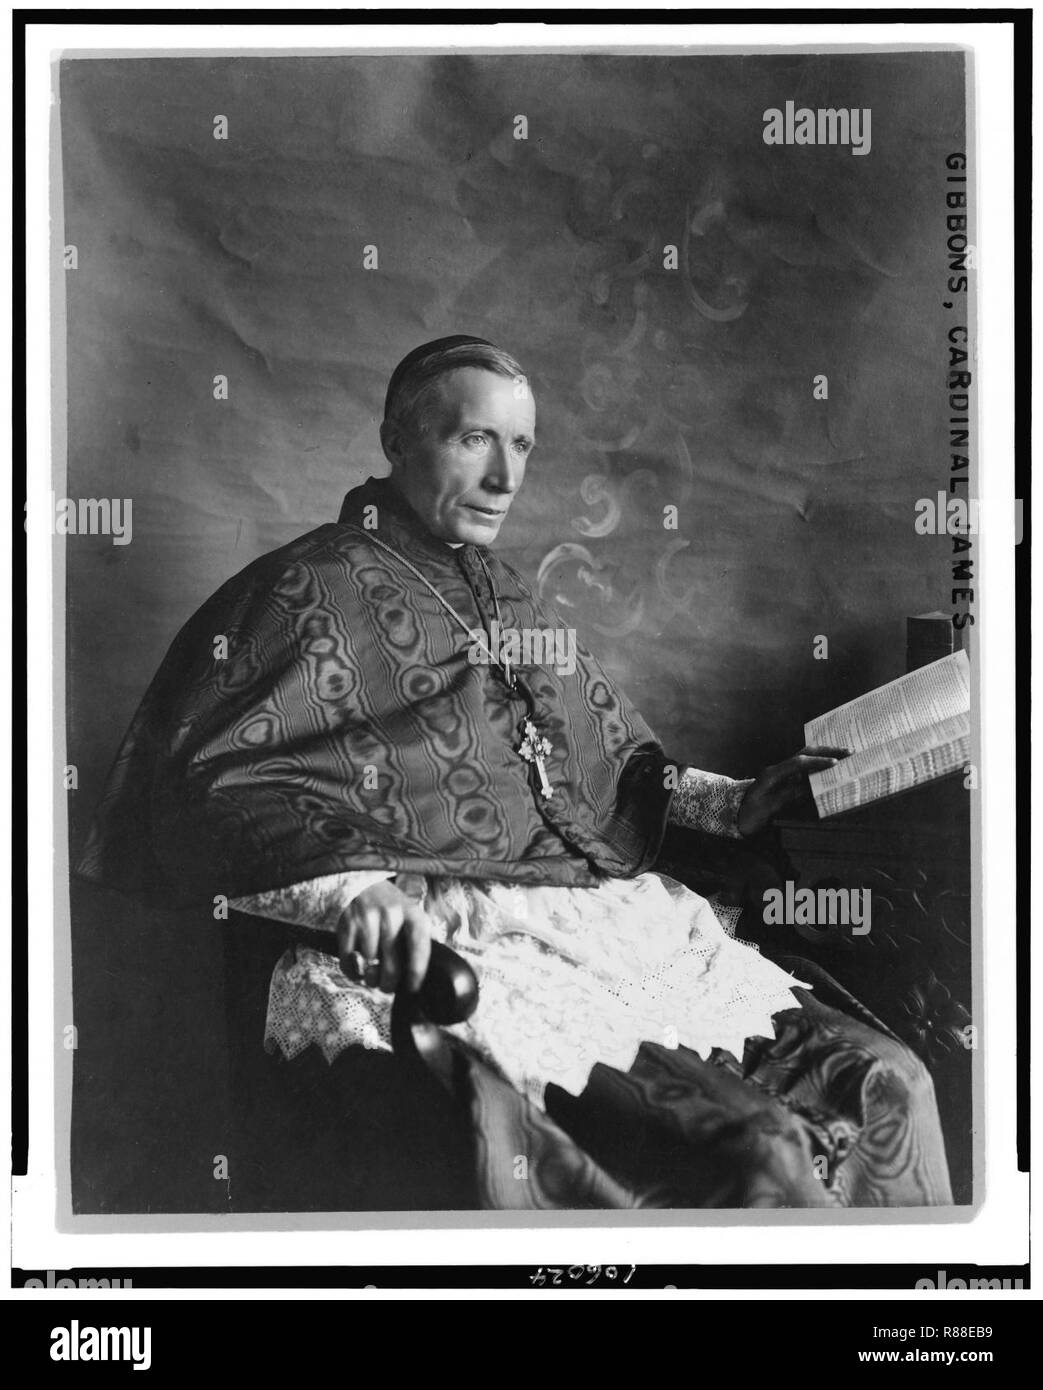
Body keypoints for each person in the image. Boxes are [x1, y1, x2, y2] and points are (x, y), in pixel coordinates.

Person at [78, 334, 953, 1210]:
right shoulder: (297, 590)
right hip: (464, 940)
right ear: (394, 441)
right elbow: (208, 790)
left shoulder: (504, 590)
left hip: (596, 925)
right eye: (474, 440)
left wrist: (733, 803)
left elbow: (601, 769)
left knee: (890, 1080)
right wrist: (354, 894)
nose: (506, 478)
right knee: (755, 1154)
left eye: (523, 445)